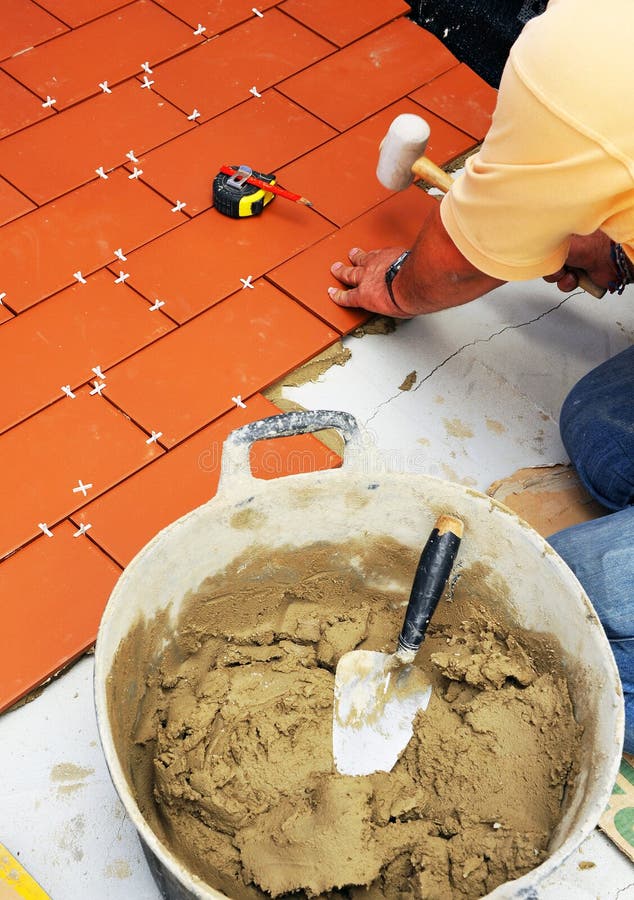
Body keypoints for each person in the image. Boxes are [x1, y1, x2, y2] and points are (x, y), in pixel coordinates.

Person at [328, 0, 633, 753]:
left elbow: (457, 263)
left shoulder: (586, 58)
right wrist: (614, 239)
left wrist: (399, 284)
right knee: (600, 434)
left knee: (569, 603)